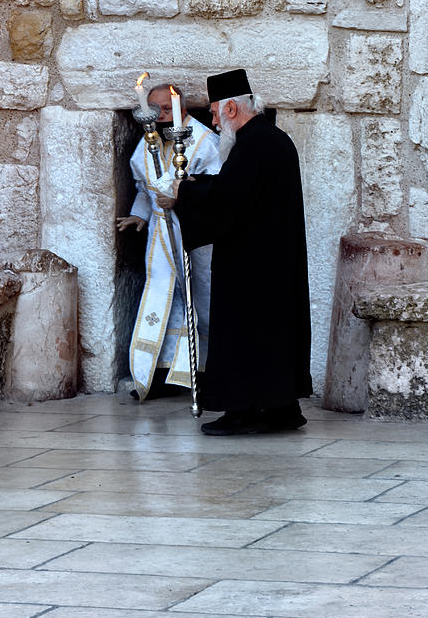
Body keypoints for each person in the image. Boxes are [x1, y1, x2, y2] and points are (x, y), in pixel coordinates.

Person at [170, 68, 312, 435]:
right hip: (272, 262)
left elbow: (227, 200)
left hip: (251, 267)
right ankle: (282, 408)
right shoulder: (271, 139)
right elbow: (238, 188)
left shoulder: (253, 145)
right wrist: (200, 184)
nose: (213, 122)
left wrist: (183, 193)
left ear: (232, 109)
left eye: (215, 113)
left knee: (244, 333)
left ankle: (241, 410)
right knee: (273, 335)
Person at [117, 83, 221, 400]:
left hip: (195, 238)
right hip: (159, 239)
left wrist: (183, 200)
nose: (159, 116)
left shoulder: (205, 141)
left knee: (200, 299)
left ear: (182, 111)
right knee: (164, 300)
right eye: (153, 110)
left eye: (166, 109)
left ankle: (204, 373)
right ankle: (160, 374)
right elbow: (146, 189)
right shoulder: (149, 142)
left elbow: (215, 191)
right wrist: (140, 215)